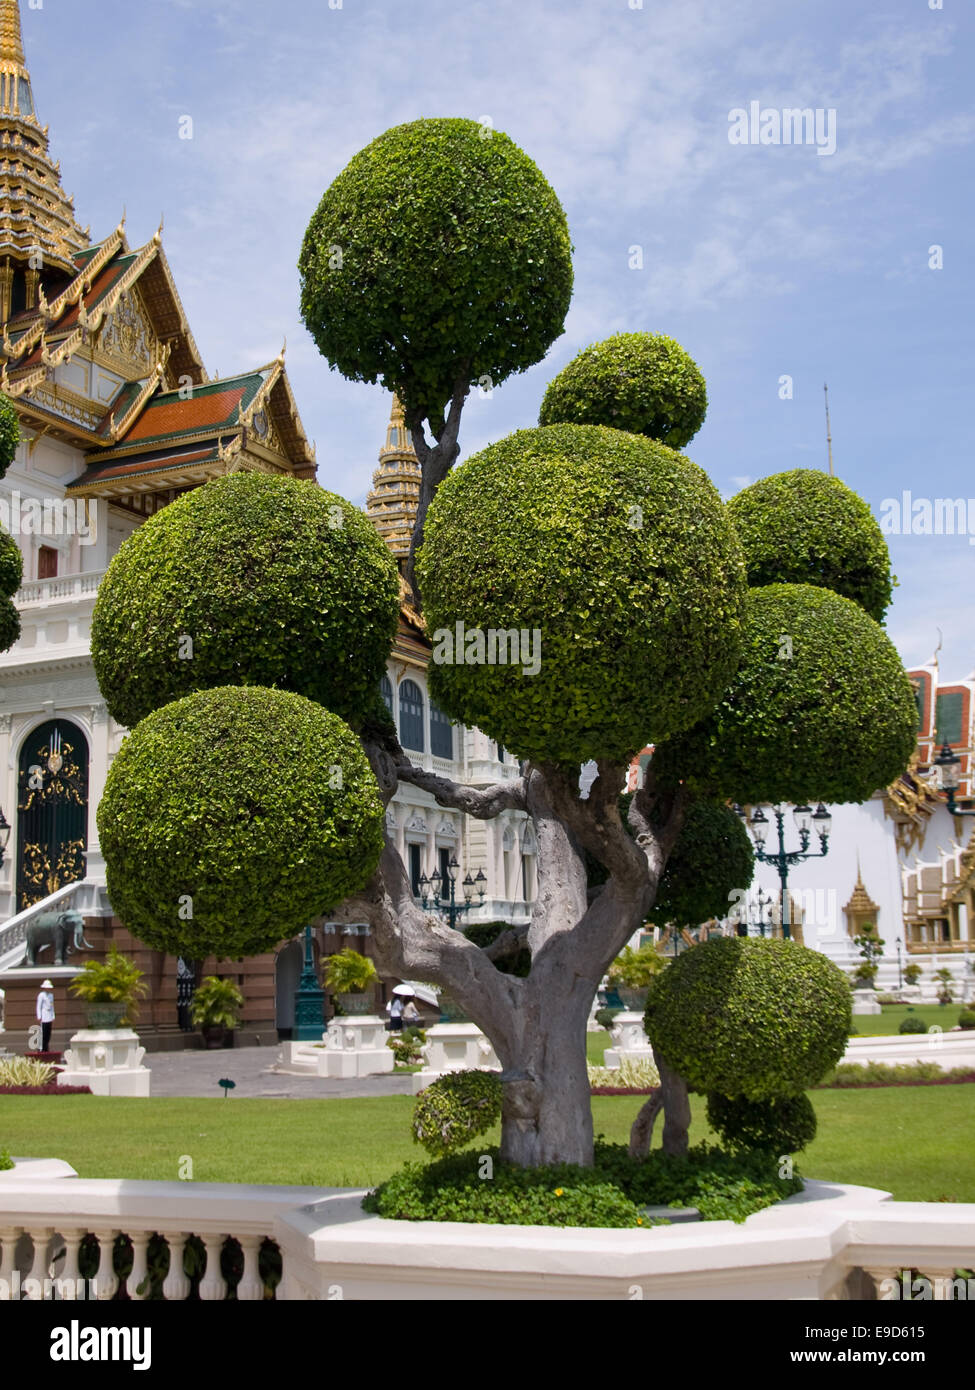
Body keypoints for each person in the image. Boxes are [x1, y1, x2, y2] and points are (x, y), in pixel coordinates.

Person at [36, 979, 55, 1053]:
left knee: (48, 1033)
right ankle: (41, 1049)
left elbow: (52, 1005)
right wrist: (39, 1016)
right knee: (43, 1033)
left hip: (49, 1015)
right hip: (43, 1016)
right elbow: (39, 1006)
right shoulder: (41, 995)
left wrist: (53, 1015)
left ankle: (46, 1048)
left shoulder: (51, 995)